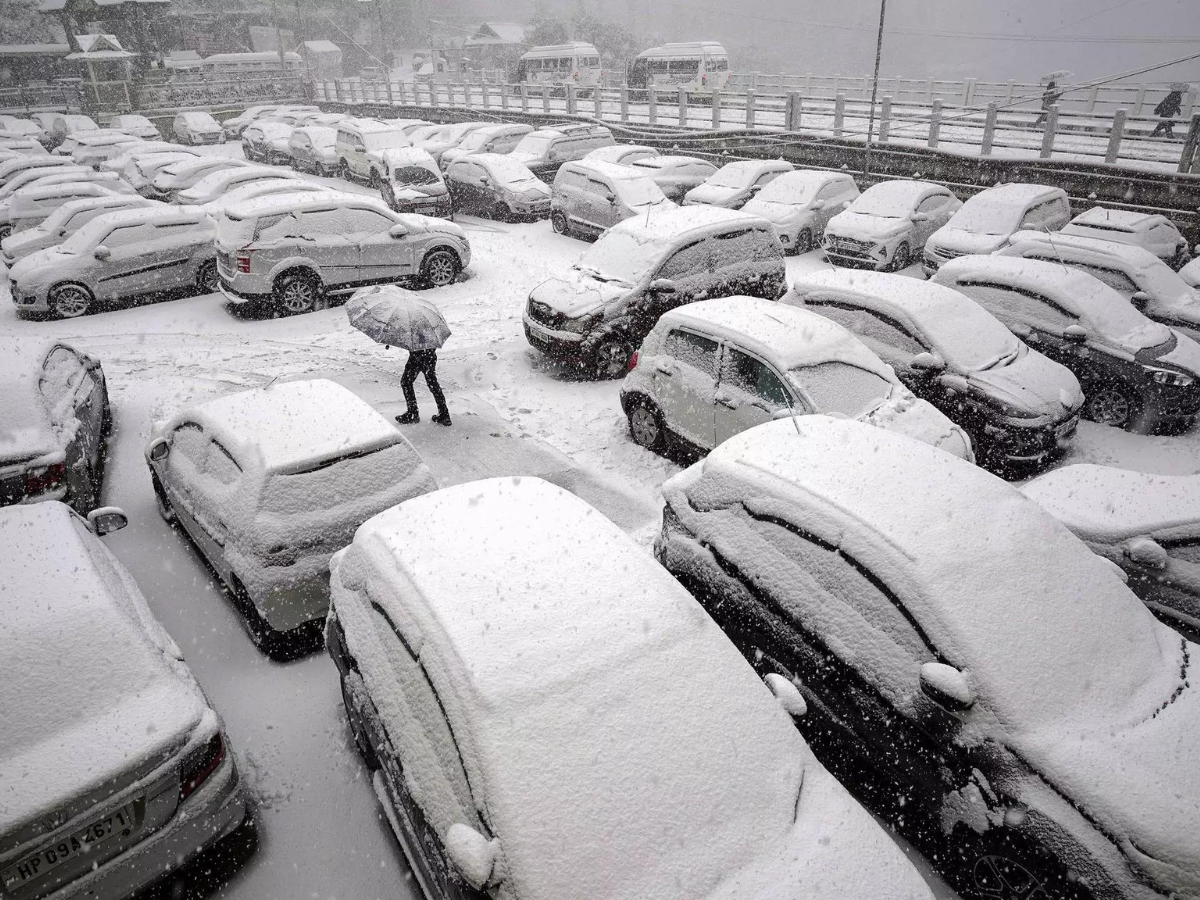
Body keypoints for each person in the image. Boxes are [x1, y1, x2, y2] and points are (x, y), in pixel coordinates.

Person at [396, 348, 451, 426]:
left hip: (416, 357)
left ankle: (413, 413)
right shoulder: (429, 341)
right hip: (429, 356)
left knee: (406, 382)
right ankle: (444, 414)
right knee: (433, 384)